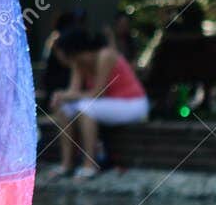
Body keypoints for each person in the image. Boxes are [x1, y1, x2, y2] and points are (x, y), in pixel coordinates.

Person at [47, 27, 149, 178]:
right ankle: (67, 164)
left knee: (85, 108)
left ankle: (90, 165)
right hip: (107, 104)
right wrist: (60, 97)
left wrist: (66, 96)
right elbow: (73, 92)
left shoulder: (105, 55)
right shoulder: (78, 64)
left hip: (132, 104)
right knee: (65, 108)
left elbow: (97, 94)